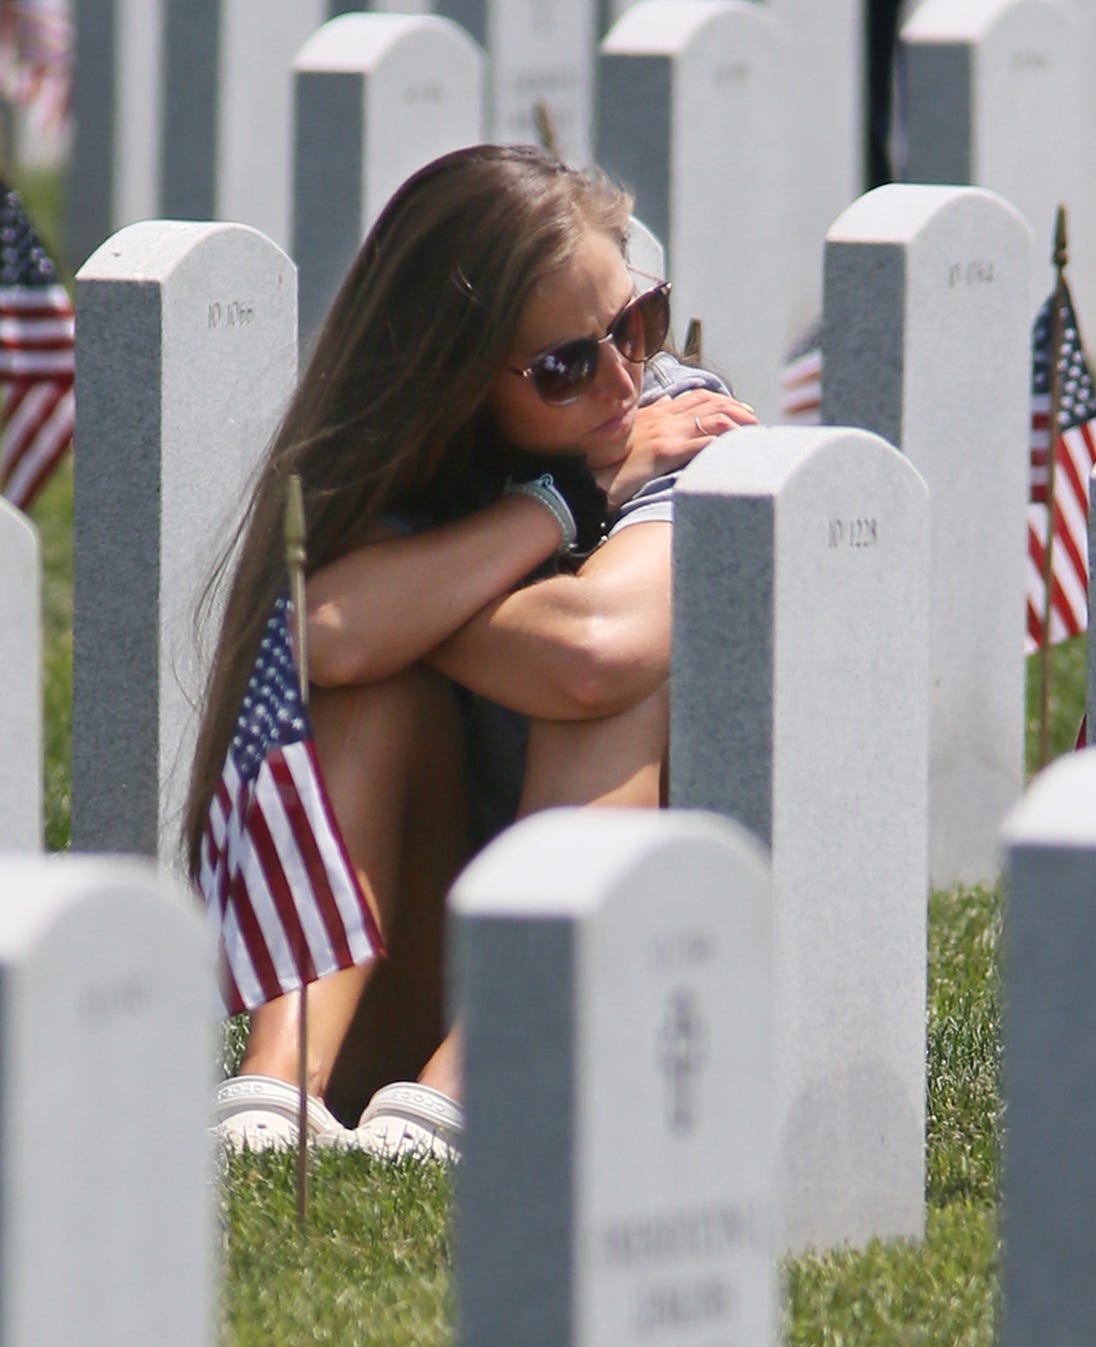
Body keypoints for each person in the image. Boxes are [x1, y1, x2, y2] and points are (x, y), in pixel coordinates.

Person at [183, 144, 758, 1159]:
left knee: (610, 695)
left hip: (620, 986)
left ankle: (468, 1082)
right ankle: (278, 1083)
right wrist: (565, 502)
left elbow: (596, 648)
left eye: (635, 321)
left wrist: (406, 611)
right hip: (404, 971)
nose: (623, 380)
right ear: (452, 380)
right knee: (374, 694)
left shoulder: (680, 419)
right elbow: (328, 636)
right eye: (565, 365)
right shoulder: (411, 457)